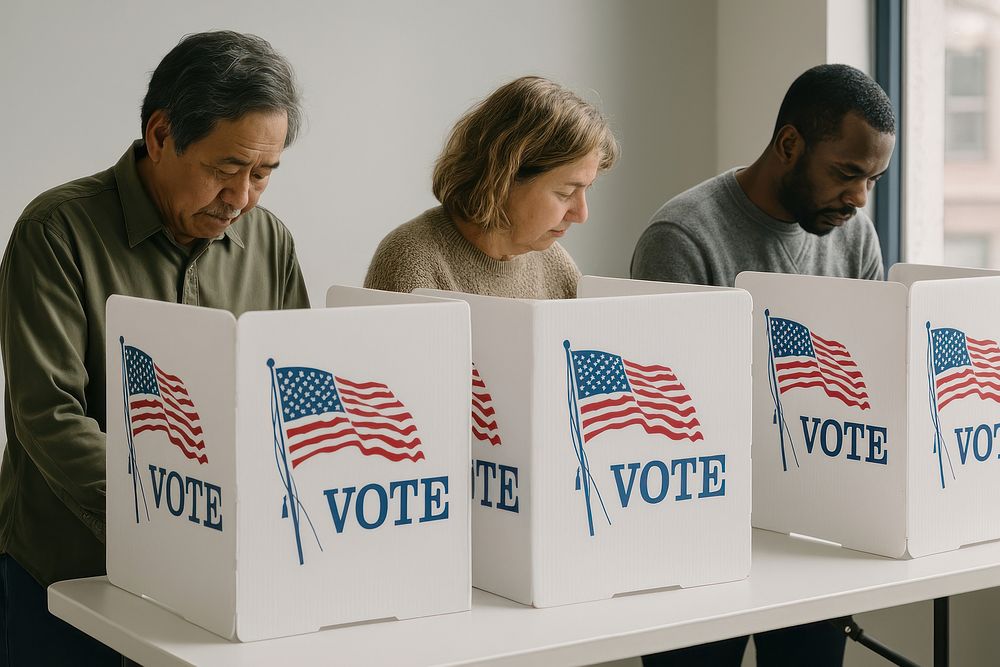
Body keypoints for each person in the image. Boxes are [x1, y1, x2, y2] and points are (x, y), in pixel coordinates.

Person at [0, 31, 310, 665]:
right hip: (69, 577)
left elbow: (286, 399)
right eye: (226, 169)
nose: (243, 197)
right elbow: (47, 416)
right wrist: (179, 519)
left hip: (218, 581)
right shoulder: (56, 231)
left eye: (262, 174)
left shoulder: (269, 242)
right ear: (162, 134)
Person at [631, 63, 895, 666]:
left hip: (812, 532)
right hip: (698, 540)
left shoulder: (855, 238)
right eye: (846, 174)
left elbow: (870, 389)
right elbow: (664, 420)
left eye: (873, 180)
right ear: (789, 145)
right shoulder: (682, 237)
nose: (858, 198)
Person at [364, 75, 619, 298]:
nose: (581, 214)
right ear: (502, 179)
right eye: (566, 193)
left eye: (586, 189)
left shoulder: (555, 266)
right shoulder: (412, 261)